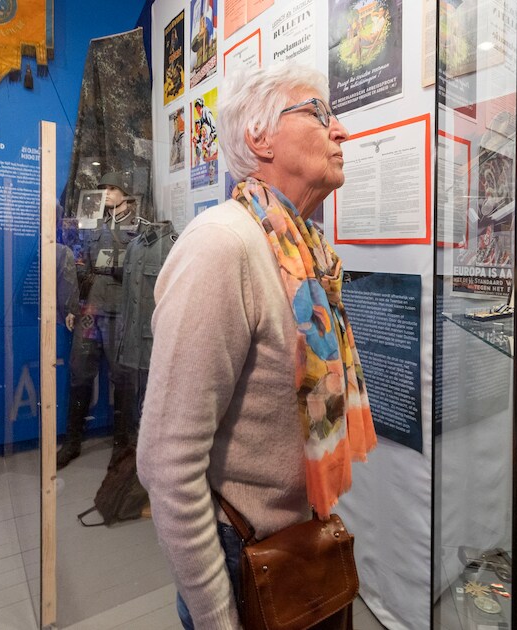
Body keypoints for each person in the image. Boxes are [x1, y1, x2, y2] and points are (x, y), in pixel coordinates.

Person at [137, 63, 378, 629]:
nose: (341, 130)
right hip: (241, 556)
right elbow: (167, 463)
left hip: (301, 536)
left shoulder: (306, 250)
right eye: (319, 113)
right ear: (259, 138)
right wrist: (217, 617)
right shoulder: (223, 246)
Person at [58, 171, 138, 468]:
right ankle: (73, 442)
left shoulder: (139, 227)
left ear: (125, 193)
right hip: (91, 310)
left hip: (120, 310)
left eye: (112, 188)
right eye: (102, 188)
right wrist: (72, 305)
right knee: (79, 372)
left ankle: (122, 445)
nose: (105, 192)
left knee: (123, 377)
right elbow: (78, 262)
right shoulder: (92, 225)